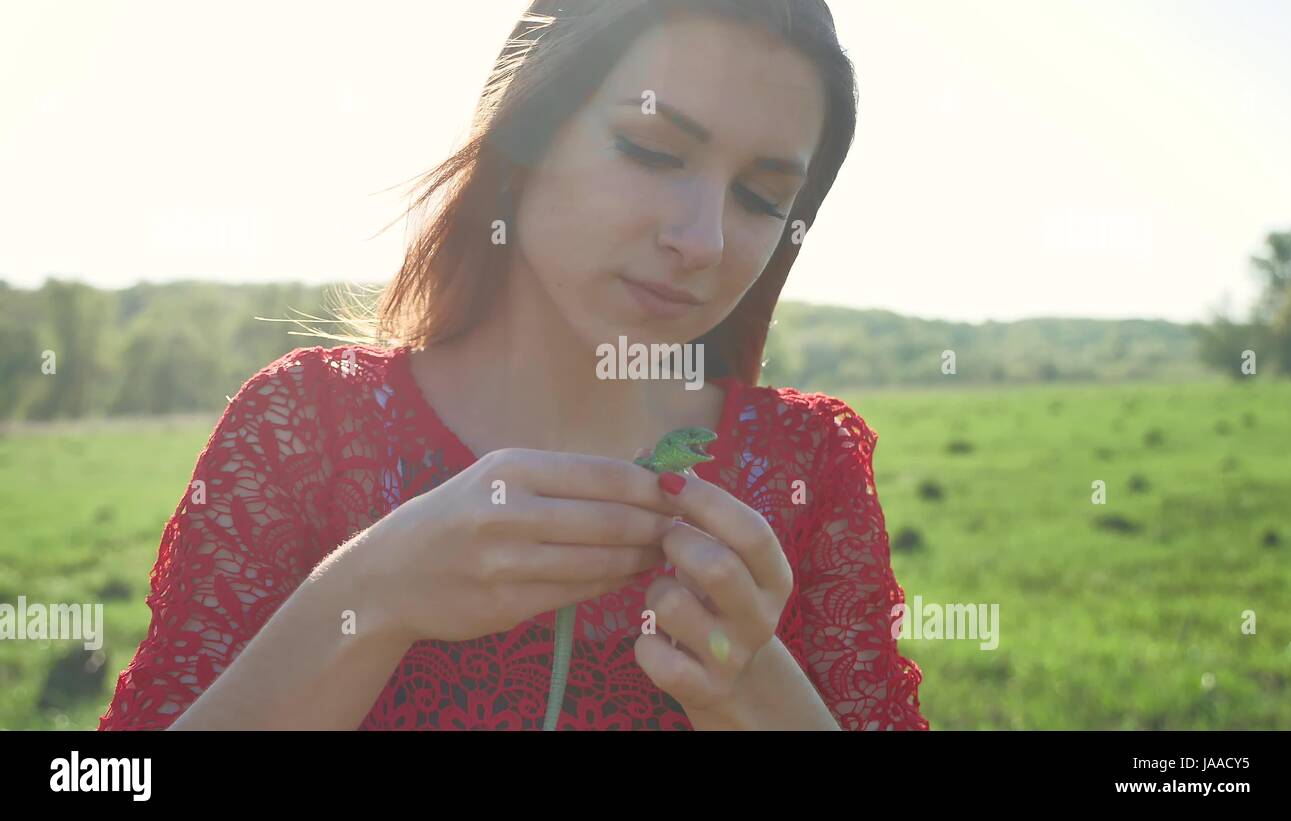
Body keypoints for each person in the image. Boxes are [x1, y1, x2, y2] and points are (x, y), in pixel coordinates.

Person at [98, 0, 928, 731]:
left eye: (761, 197)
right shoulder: (307, 428)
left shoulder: (804, 469)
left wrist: (750, 688)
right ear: (528, 130)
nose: (703, 238)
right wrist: (370, 597)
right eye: (652, 149)